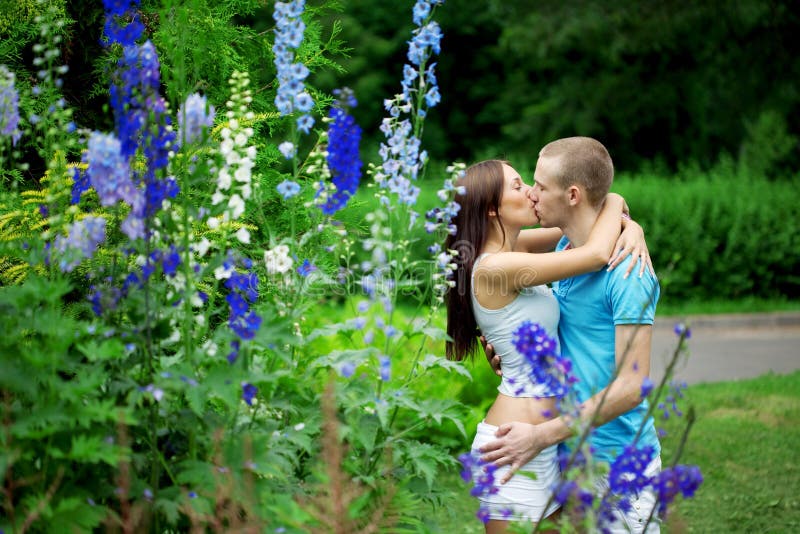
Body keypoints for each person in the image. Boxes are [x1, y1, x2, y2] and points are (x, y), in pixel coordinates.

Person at [444, 157, 651, 533]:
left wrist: (630, 225)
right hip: (512, 447)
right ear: (493, 208)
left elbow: (583, 229)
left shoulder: (515, 246)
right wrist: (617, 201)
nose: (530, 192)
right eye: (519, 185)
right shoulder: (493, 268)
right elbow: (595, 254)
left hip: (546, 444)